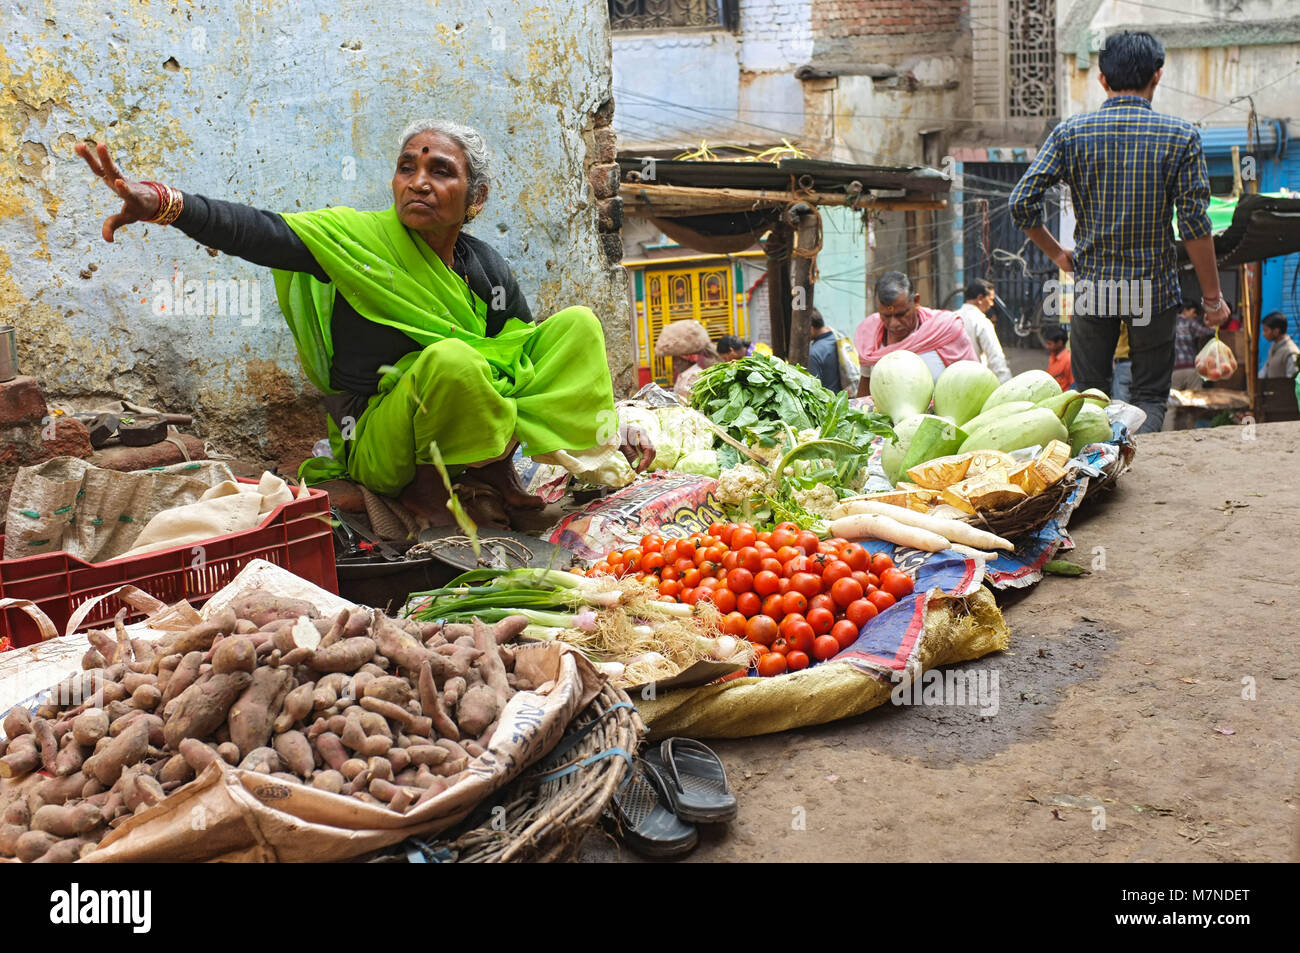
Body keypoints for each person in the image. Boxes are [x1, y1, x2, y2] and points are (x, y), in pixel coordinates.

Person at [76, 121, 651, 526]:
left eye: (440, 171)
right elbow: (262, 231)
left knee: (575, 325)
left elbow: (523, 358)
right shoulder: (359, 244)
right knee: (452, 360)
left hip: (470, 410)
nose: (418, 181)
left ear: (475, 198)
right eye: (408, 167)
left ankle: (502, 477)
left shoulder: (485, 266)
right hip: (377, 438)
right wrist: (164, 204)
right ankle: (427, 493)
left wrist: (609, 421)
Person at [1009, 31, 1230, 433]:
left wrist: (1059, 254)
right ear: (1157, 76)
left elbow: (1021, 203)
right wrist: (1212, 299)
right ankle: (1142, 476)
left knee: (1091, 396)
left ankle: (1099, 473)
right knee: (1148, 397)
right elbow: (1195, 225)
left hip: (1094, 288)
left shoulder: (1070, 134)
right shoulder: (1181, 137)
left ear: (1102, 79)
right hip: (1155, 290)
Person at [854, 271, 977, 395]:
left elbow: (972, 382)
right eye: (886, 316)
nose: (893, 324)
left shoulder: (946, 329)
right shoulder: (869, 334)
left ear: (916, 301)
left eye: (901, 314)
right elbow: (865, 384)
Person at [954, 279, 1012, 382]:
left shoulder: (951, 317)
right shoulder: (981, 322)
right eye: (991, 299)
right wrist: (1008, 386)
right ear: (980, 298)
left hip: (951, 379)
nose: (992, 304)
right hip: (974, 381)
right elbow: (996, 358)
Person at [1171, 299, 1215, 390]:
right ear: (1185, 310)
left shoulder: (1168, 322)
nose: (1195, 316)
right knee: (1195, 400)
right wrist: (1213, 326)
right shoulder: (1189, 322)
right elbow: (1206, 332)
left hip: (1172, 370)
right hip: (1190, 368)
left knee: (1173, 401)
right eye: (1194, 312)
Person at [806, 310, 843, 391]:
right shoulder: (841, 336)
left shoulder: (813, 352)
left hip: (830, 401)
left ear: (811, 329)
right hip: (847, 395)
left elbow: (813, 388)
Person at [1260, 312, 1299, 379]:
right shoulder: (1274, 347)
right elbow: (1265, 370)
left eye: (1266, 330)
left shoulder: (1291, 352)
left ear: (1276, 331)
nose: (1263, 333)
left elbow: (1293, 382)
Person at [1043, 326, 1073, 390]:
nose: (1047, 346)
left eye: (1049, 344)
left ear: (1059, 343)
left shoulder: (1068, 360)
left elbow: (1073, 385)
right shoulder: (1053, 356)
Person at [1111, 324, 1132, 402]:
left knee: (1122, 403)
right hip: (1142, 361)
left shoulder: (1126, 313)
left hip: (1124, 361)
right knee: (1141, 398)